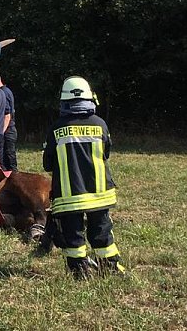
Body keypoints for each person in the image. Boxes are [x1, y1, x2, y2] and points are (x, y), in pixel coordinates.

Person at [43, 76, 125, 279]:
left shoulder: (56, 129)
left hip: (69, 195)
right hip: (100, 193)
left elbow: (47, 163)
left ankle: (80, 271)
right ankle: (109, 267)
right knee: (102, 230)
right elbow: (106, 154)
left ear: (63, 102)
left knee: (73, 233)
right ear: (90, 98)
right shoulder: (100, 124)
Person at [0, 70, 18, 170]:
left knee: (9, 162)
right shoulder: (7, 90)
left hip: (8, 130)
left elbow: (7, 115)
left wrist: (1, 132)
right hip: (8, 130)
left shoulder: (3, 92)